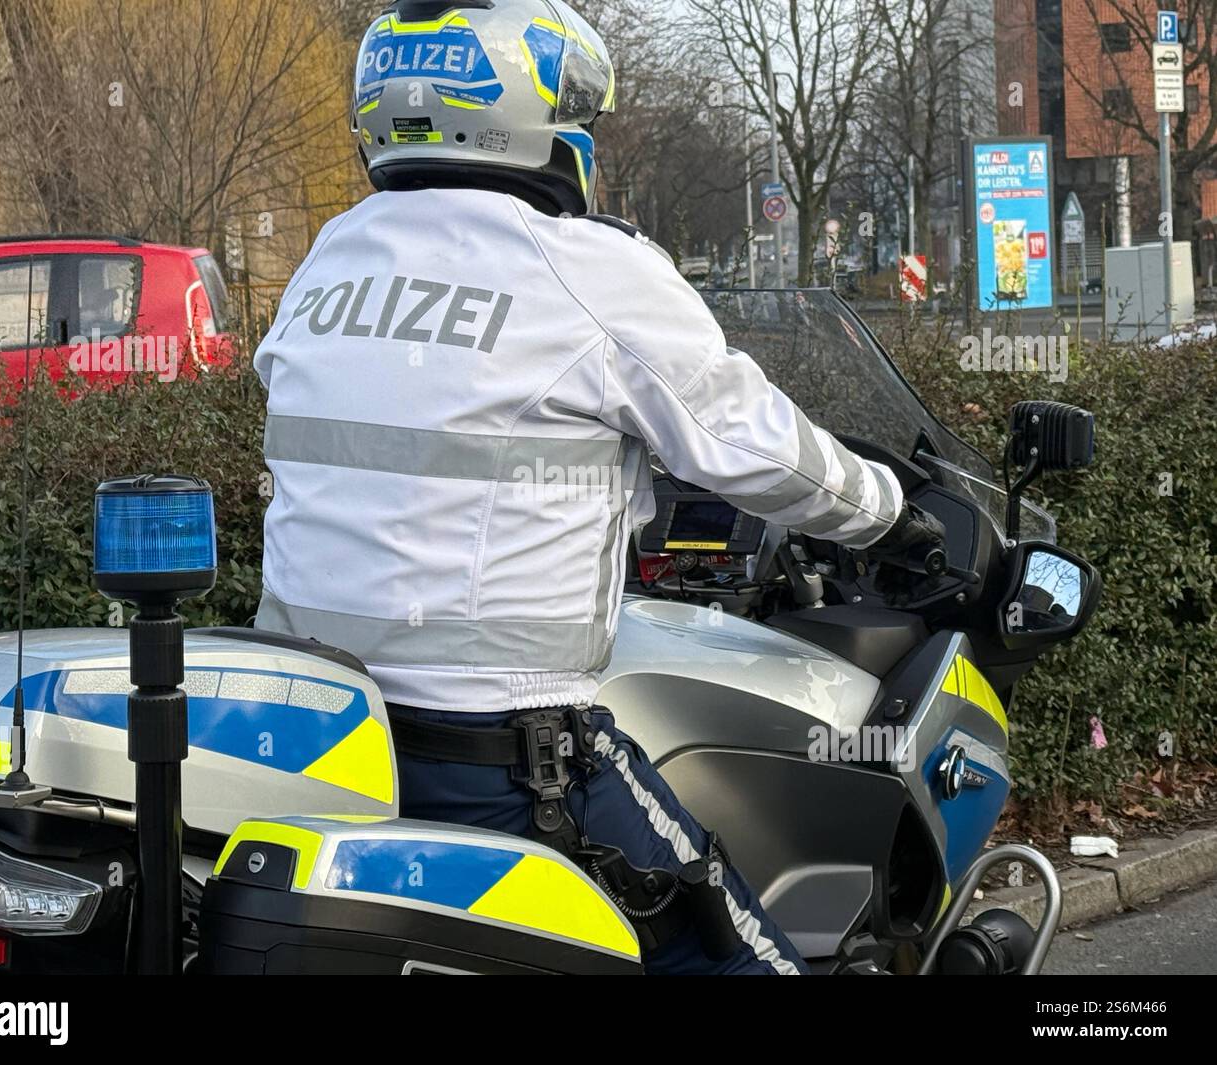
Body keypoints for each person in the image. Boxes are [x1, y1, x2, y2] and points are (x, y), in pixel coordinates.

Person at [253, 0, 943, 975]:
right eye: (583, 112)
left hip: (318, 743)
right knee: (741, 959)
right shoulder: (585, 268)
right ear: (528, 116)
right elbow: (751, 445)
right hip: (504, 755)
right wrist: (891, 514)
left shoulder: (329, 259)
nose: (591, 138)